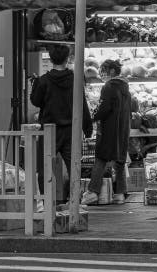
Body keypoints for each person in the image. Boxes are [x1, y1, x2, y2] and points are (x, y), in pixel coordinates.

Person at [30, 44, 93, 208]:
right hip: (71, 130)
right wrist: (87, 127)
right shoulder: (75, 79)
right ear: (68, 59)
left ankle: (46, 204)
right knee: (74, 167)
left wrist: (35, 85)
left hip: (49, 130)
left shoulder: (43, 81)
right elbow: (82, 104)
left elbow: (36, 101)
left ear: (51, 59)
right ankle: (74, 204)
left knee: (45, 169)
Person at [82, 59, 135, 206]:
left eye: (104, 71)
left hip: (109, 128)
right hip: (123, 129)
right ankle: (120, 194)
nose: (101, 74)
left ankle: (93, 192)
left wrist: (92, 117)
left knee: (100, 159)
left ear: (112, 71)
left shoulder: (109, 86)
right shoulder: (125, 87)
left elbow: (103, 108)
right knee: (120, 160)